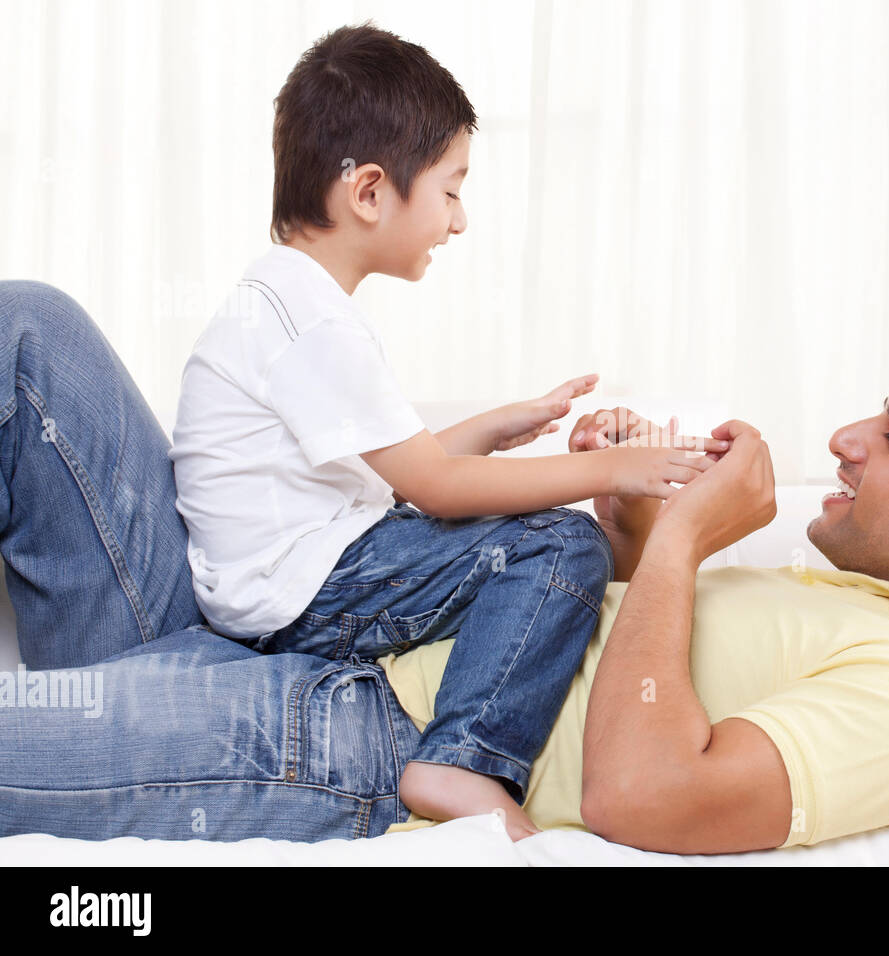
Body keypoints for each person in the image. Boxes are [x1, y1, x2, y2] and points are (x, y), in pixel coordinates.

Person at [0, 279, 889, 851]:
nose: (842, 439)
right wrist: (625, 519)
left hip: (339, 738)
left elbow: (638, 788)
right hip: (313, 627)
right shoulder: (841, 595)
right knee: (29, 334)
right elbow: (639, 658)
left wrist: (681, 538)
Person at [165, 22, 724, 841]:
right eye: (451, 190)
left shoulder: (284, 301)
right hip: (303, 594)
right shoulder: (313, 322)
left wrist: (499, 424)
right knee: (562, 546)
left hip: (299, 570)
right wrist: (616, 472)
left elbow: (396, 476)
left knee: (499, 529)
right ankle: (465, 759)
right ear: (369, 194)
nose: (458, 221)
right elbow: (428, 486)